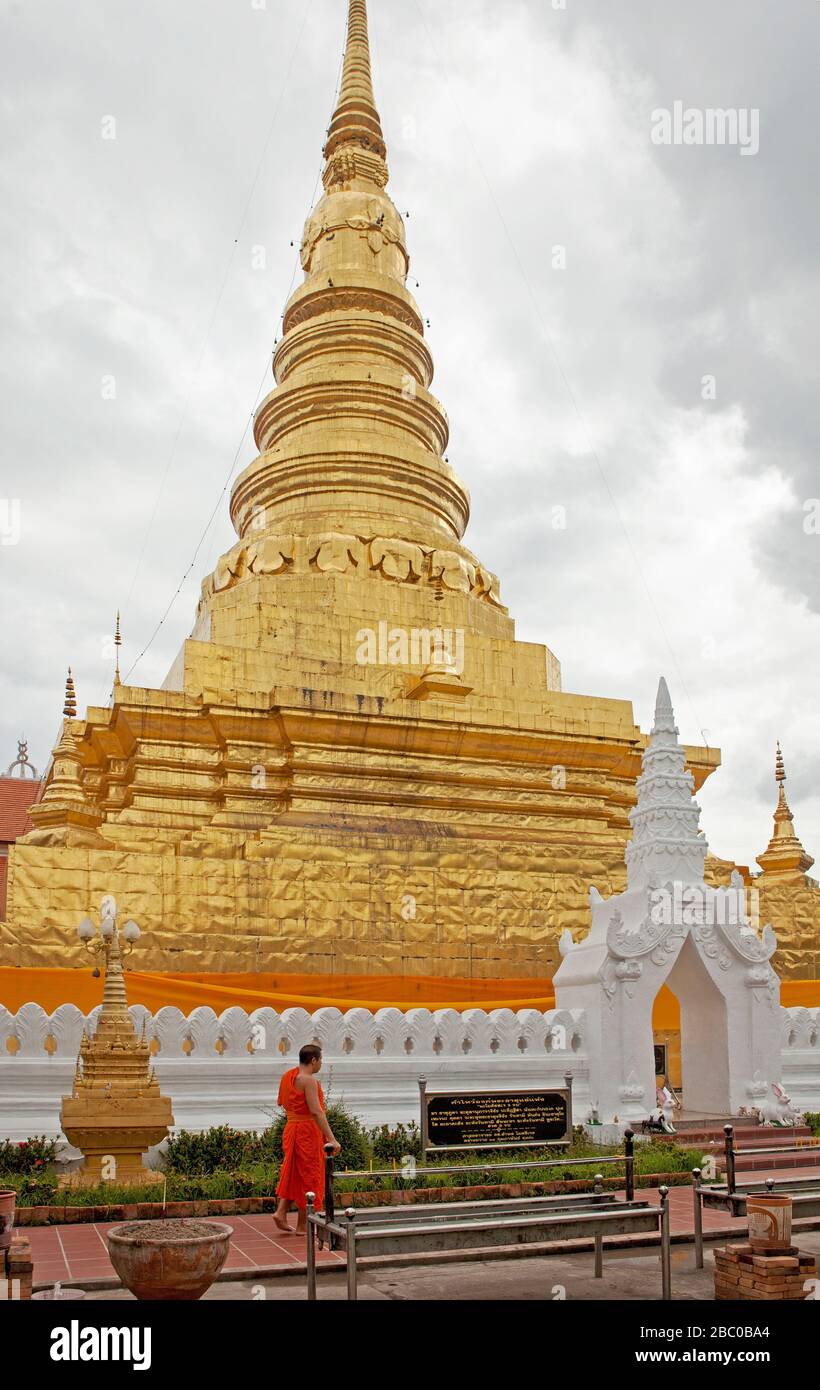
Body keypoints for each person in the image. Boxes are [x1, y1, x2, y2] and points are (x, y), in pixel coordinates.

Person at [273, 1043, 340, 1235]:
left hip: (291, 1128)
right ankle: (303, 1224)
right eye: (321, 1060)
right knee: (309, 1175)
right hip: (306, 1131)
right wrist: (332, 1138)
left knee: (294, 1171)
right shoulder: (308, 1081)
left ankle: (281, 1212)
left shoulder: (288, 1076)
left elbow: (283, 1103)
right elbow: (317, 1112)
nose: (321, 1064)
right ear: (314, 1060)